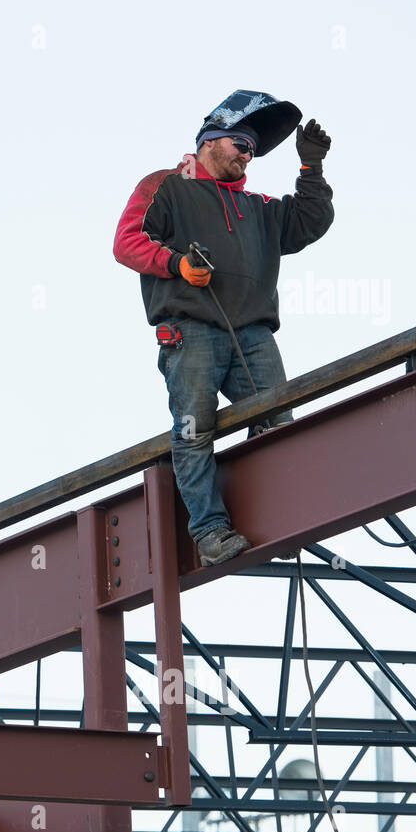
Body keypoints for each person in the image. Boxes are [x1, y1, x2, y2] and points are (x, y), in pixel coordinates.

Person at [113, 90, 334, 566]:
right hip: (190, 333)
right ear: (210, 140)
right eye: (239, 142)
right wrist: (176, 263)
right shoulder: (166, 186)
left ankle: (279, 507)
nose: (246, 153)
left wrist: (311, 170)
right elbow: (127, 242)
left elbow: (310, 221)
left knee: (279, 421)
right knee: (194, 430)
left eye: (252, 148)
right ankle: (210, 531)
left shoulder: (258, 207)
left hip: (253, 335)